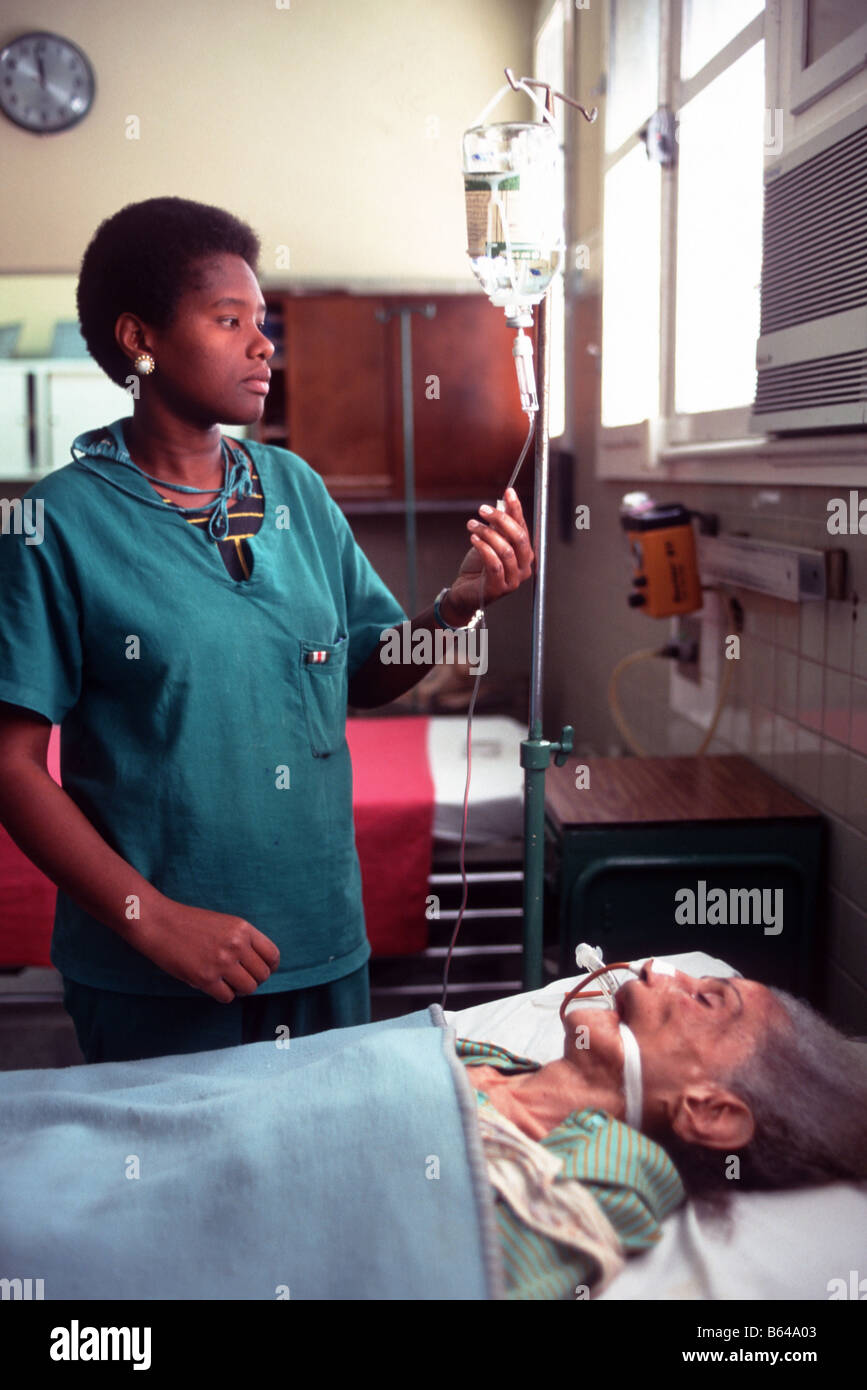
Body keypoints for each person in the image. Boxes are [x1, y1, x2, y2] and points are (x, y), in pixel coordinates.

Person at [0, 196, 533, 1065]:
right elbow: (10, 765)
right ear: (140, 339)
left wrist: (452, 610)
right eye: (229, 320)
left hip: (319, 939)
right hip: (155, 972)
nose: (263, 344)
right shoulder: (57, 522)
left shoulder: (292, 489)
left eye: (262, 321)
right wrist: (156, 922)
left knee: (320, 1186)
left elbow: (361, 670)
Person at [458, 959, 867, 1299]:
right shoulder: (491, 1060)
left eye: (705, 1000)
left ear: (711, 1113)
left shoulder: (615, 1174)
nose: (653, 970)